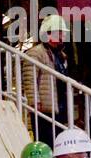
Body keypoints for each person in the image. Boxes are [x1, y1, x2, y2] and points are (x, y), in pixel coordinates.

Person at [20, 13, 72, 144]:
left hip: (59, 108)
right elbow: (29, 79)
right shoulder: (35, 53)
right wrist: (35, 103)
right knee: (46, 143)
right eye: (59, 33)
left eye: (63, 33)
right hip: (44, 109)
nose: (62, 37)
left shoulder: (61, 56)